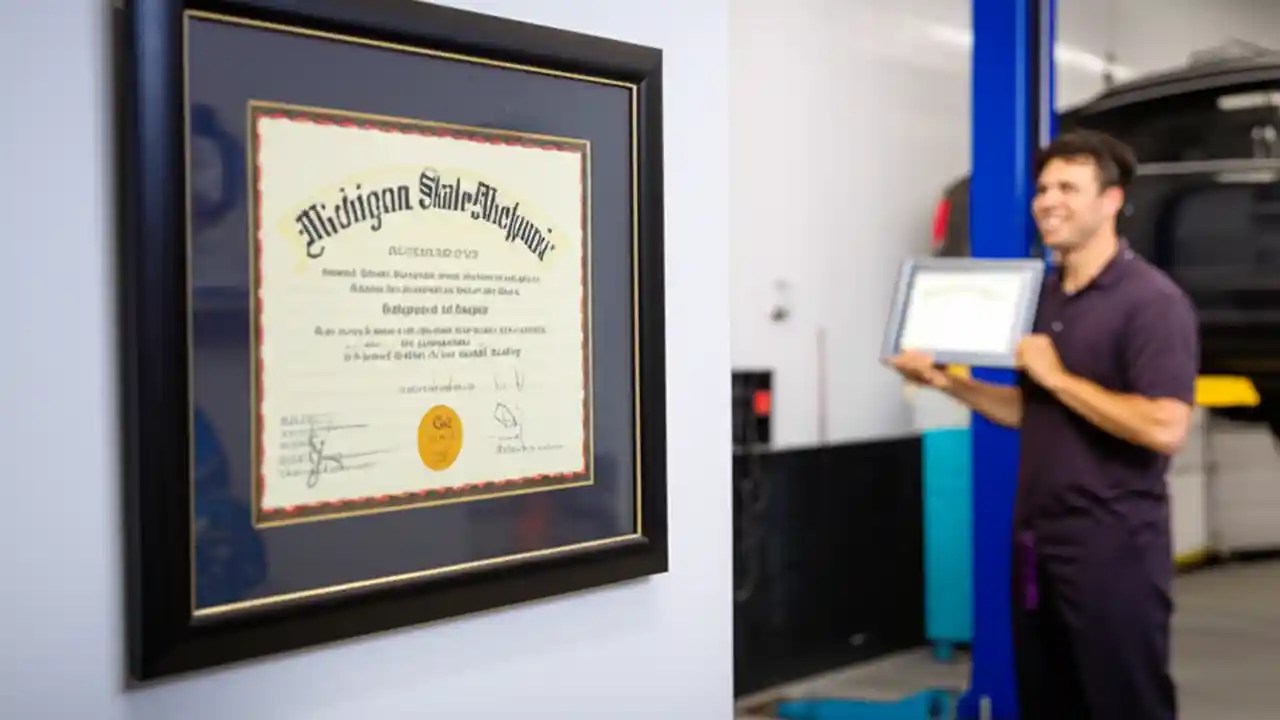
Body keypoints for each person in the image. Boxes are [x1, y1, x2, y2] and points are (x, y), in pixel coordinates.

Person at [889, 129, 1199, 720]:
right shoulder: (1044, 297)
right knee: (1047, 702)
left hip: (1115, 551)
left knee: (1123, 704)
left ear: (1111, 201)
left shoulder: (1152, 303)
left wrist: (1057, 378)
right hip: (1037, 546)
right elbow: (1027, 412)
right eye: (1042, 188)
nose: (1048, 200)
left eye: (1068, 187)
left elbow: (1164, 427)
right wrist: (947, 381)